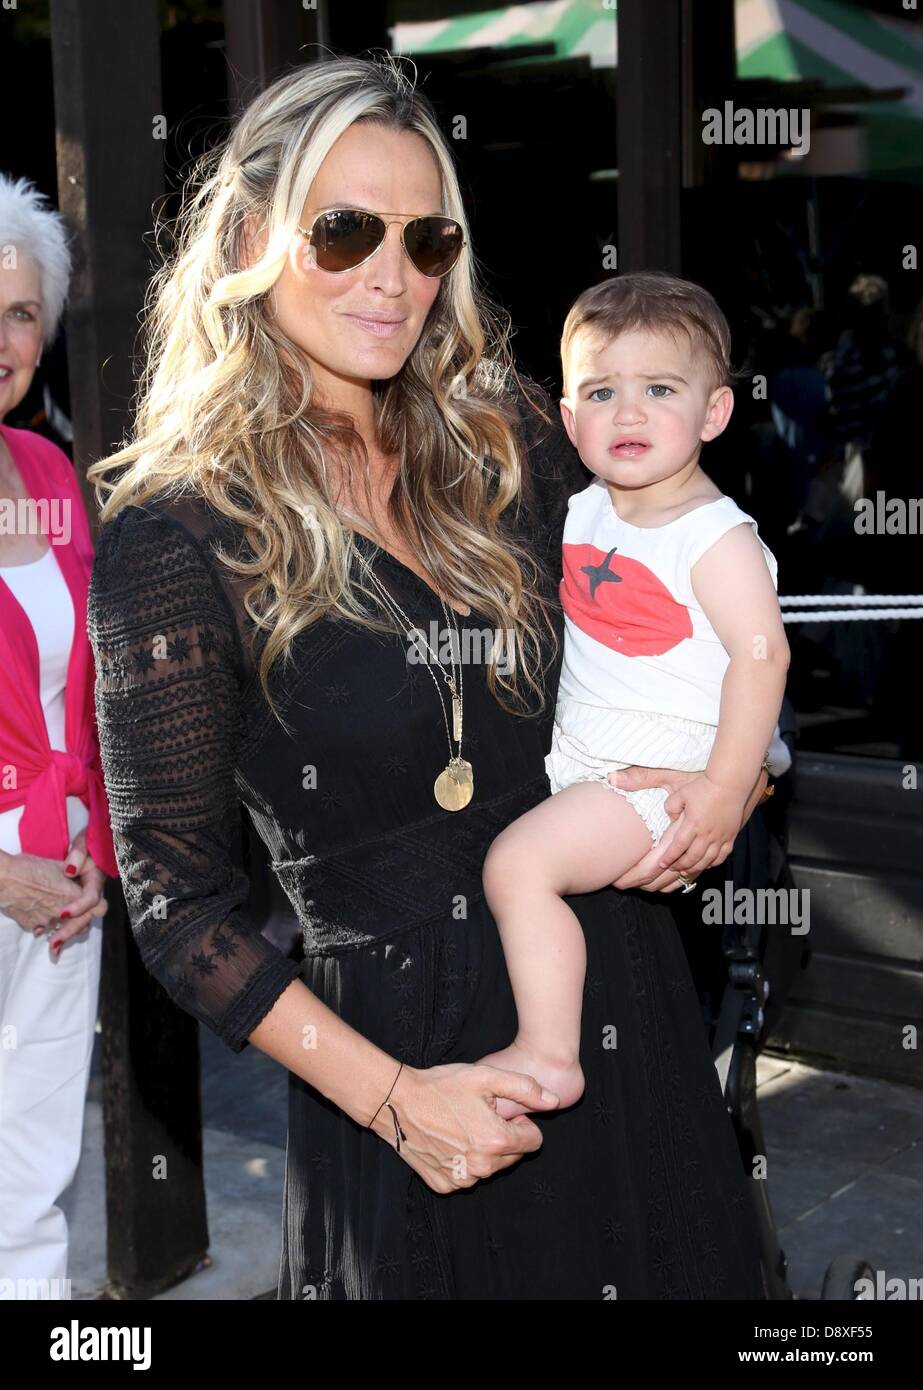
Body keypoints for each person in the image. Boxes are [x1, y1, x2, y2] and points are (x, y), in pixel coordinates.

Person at [87, 55, 771, 1300]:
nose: (391, 278)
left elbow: (706, 612)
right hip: (405, 1073)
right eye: (342, 232)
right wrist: (398, 1105)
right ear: (249, 237)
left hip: (615, 989)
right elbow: (176, 909)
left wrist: (735, 773)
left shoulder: (509, 437)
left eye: (425, 238)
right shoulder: (178, 538)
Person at [478, 273, 790, 1119]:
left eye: (659, 390)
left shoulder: (713, 535)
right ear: (570, 418)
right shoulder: (580, 512)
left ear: (714, 414)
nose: (627, 413)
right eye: (601, 391)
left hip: (660, 775)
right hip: (585, 762)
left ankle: (548, 1052)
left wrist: (725, 793)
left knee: (518, 867)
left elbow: (762, 658)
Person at [0, 172, 116, 1297]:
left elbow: (78, 686)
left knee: (34, 1152)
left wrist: (90, 843)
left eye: (20, 312)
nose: (0, 338)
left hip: (63, 866)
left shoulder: (44, 473)